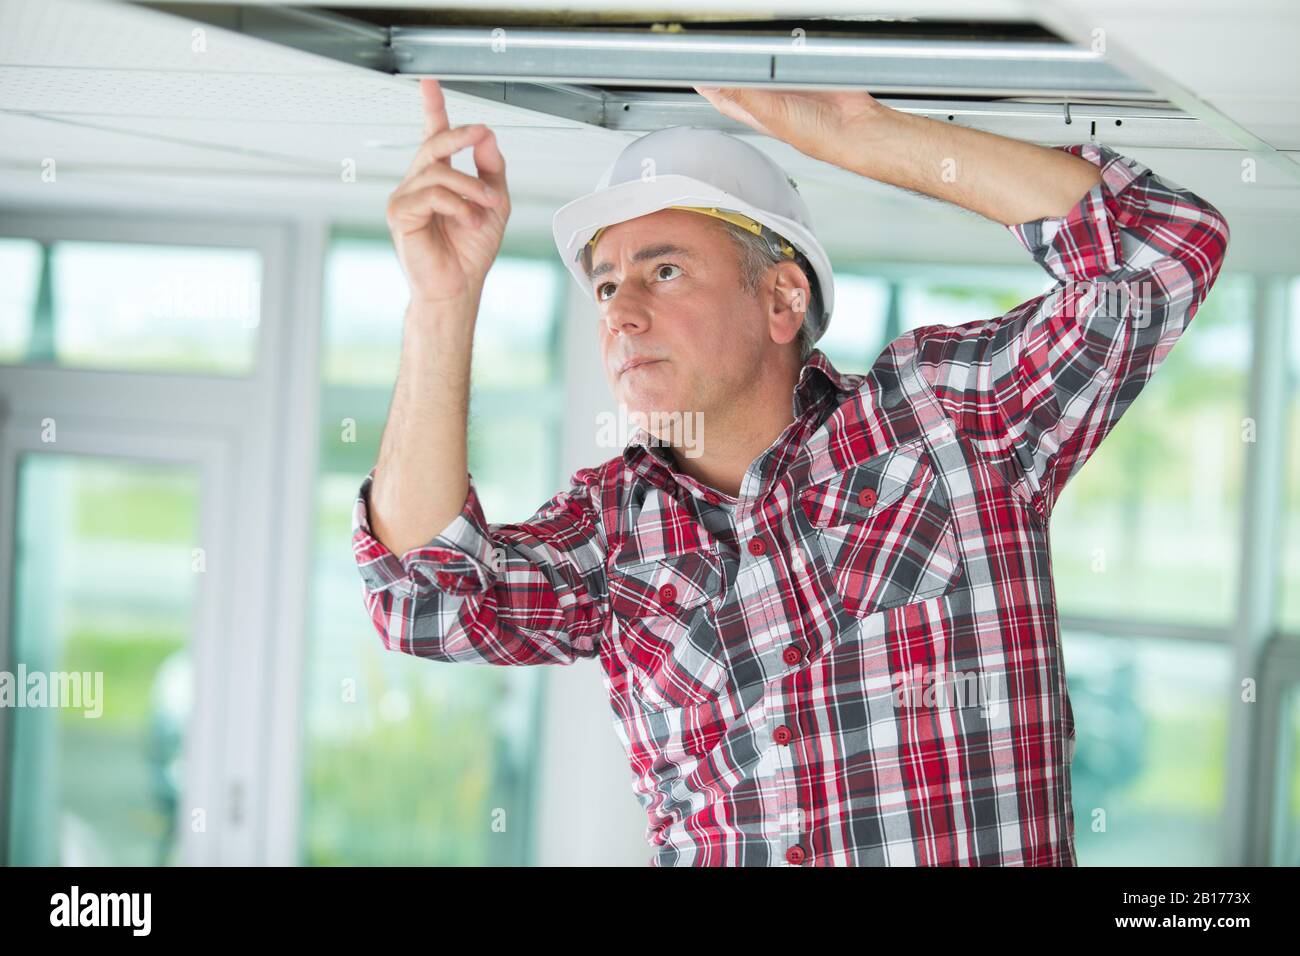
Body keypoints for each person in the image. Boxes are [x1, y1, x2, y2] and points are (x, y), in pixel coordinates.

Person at [353, 78, 1230, 866]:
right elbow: (422, 598)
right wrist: (443, 299)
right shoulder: (608, 532)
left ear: (782, 299)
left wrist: (865, 138)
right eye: (608, 286)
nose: (622, 311)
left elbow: (1162, 250)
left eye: (664, 271)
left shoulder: (948, 420)